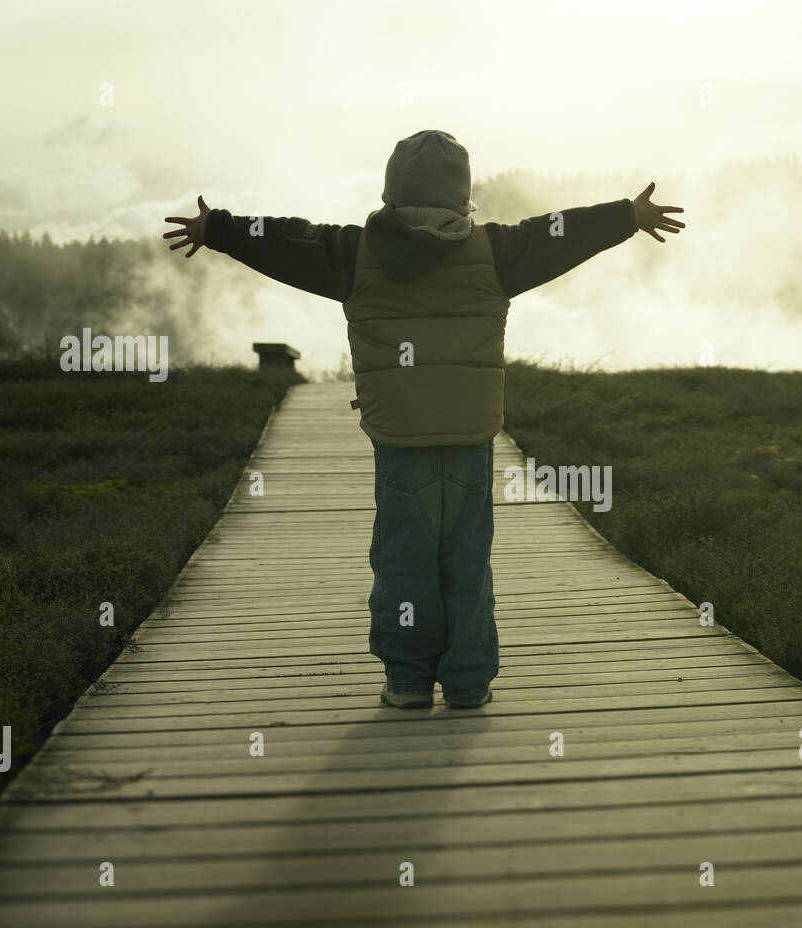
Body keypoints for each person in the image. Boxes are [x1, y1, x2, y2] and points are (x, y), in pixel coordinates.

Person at [163, 130, 683, 710]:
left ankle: (408, 682)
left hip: (400, 439)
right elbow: (557, 233)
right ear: (463, 198)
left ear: (389, 194)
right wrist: (626, 216)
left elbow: (286, 240)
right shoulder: (497, 250)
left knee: (405, 563)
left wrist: (219, 229)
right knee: (466, 562)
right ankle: (467, 683)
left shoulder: (351, 253)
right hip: (469, 437)